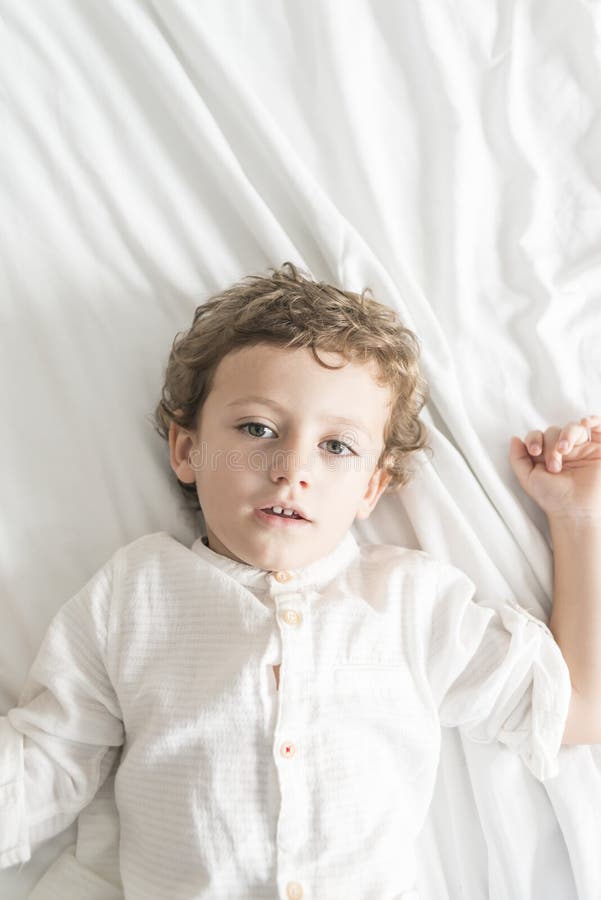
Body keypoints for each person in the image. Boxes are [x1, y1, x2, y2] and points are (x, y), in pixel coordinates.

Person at [1, 261, 599, 900]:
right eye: (257, 429)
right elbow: (48, 766)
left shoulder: (411, 603)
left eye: (337, 447)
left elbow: (574, 710)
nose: (291, 469)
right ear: (186, 449)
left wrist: (578, 518)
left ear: (373, 487)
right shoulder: (135, 593)